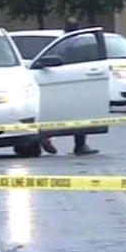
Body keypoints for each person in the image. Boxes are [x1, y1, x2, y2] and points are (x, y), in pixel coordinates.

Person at [39, 17, 99, 157]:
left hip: (59, 79)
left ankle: (46, 135)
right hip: (75, 79)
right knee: (80, 113)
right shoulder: (77, 43)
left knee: (61, 111)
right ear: (78, 28)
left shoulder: (59, 42)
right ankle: (78, 145)